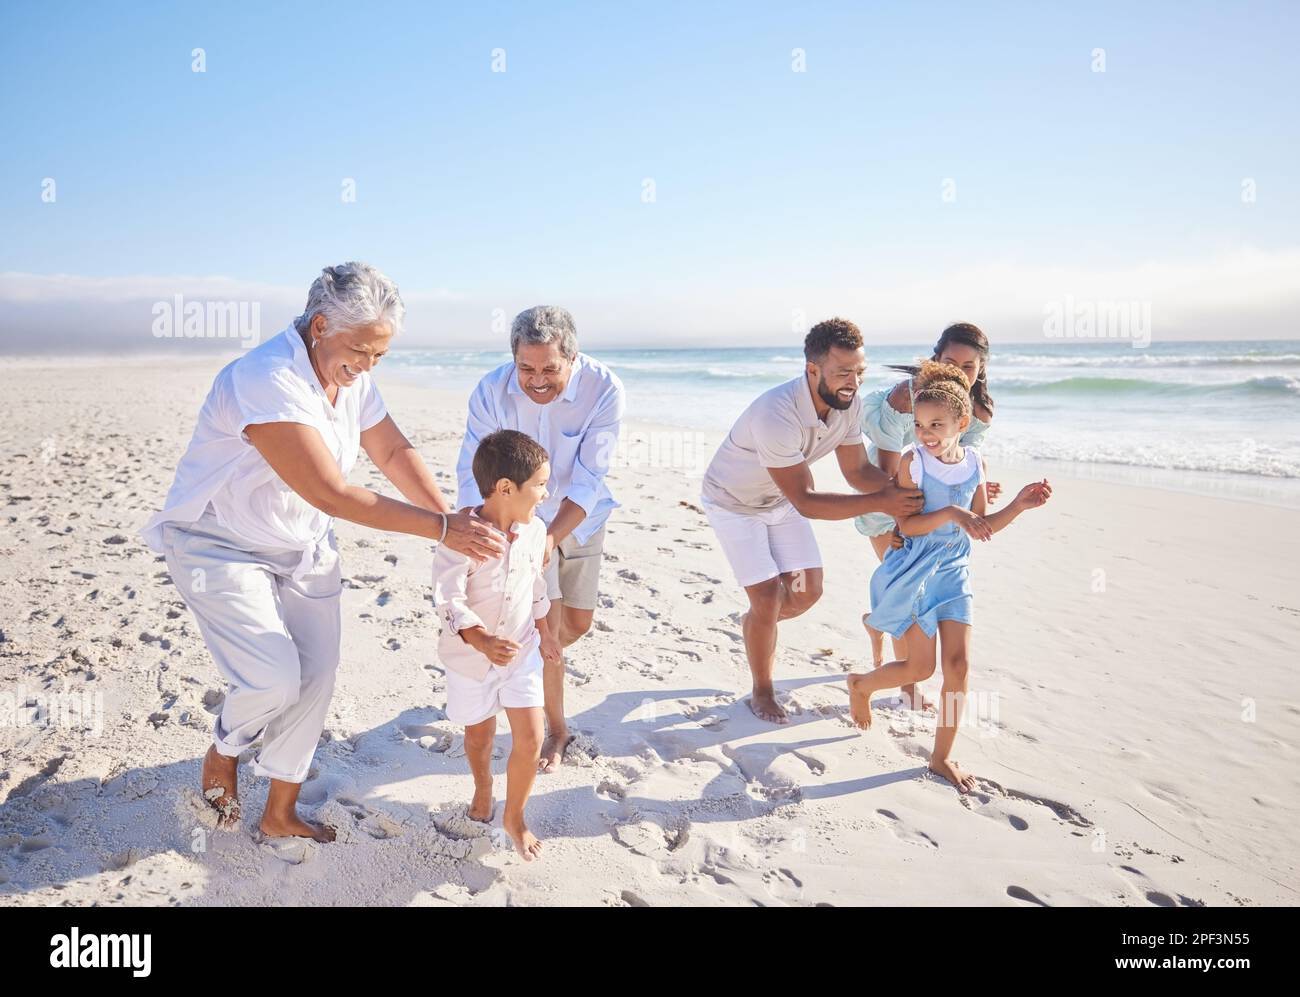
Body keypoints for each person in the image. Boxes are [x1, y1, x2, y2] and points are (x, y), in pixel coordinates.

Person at [140, 262, 505, 842]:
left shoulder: (352, 376)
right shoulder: (264, 377)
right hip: (220, 543)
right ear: (318, 325)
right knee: (271, 679)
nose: (366, 366)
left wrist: (450, 516)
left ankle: (279, 812)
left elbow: (390, 450)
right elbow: (332, 493)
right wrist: (439, 530)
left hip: (302, 540)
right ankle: (223, 751)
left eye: (379, 356)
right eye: (360, 350)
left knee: (317, 675)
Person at [699, 317, 924, 724]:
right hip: (734, 503)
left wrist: (903, 492)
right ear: (812, 370)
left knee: (806, 593)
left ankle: (756, 623)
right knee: (768, 597)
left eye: (859, 372)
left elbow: (857, 471)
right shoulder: (777, 413)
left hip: (779, 501)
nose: (853, 382)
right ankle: (762, 689)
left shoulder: (848, 402)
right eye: (842, 372)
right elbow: (806, 500)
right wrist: (884, 501)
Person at [848, 361, 1051, 792]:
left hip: (955, 573)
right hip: (917, 570)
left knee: (958, 667)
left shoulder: (976, 461)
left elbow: (981, 527)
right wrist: (952, 513)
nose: (926, 433)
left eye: (936, 424)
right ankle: (861, 685)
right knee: (920, 669)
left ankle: (941, 758)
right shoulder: (913, 463)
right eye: (920, 424)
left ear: (962, 422)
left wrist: (1017, 505)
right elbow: (907, 527)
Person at [454, 305, 624, 772]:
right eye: (526, 368)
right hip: (514, 522)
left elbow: (591, 476)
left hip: (580, 517)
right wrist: (490, 528)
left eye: (550, 369)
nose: (537, 380)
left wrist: (548, 538)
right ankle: (554, 726)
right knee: (539, 630)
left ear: (573, 358)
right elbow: (473, 469)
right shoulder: (491, 390)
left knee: (576, 625)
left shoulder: (605, 388)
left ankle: (535, 674)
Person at [855, 322, 1001, 709]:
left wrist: (979, 488)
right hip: (891, 500)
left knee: (914, 594)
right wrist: (904, 524)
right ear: (936, 359)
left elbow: (962, 460)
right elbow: (889, 470)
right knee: (908, 592)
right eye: (952, 361)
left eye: (971, 366)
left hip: (937, 515)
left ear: (981, 369)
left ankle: (876, 623)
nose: (962, 371)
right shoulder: (908, 399)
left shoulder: (978, 409)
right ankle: (906, 682)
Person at [434, 430, 562, 860]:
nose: (546, 494)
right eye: (540, 485)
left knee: (531, 737)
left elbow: (535, 586)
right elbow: (447, 600)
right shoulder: (460, 536)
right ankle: (483, 785)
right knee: (480, 736)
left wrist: (545, 634)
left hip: (521, 651)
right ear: (506, 488)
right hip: (471, 658)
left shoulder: (535, 530)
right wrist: (481, 639)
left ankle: (516, 816)